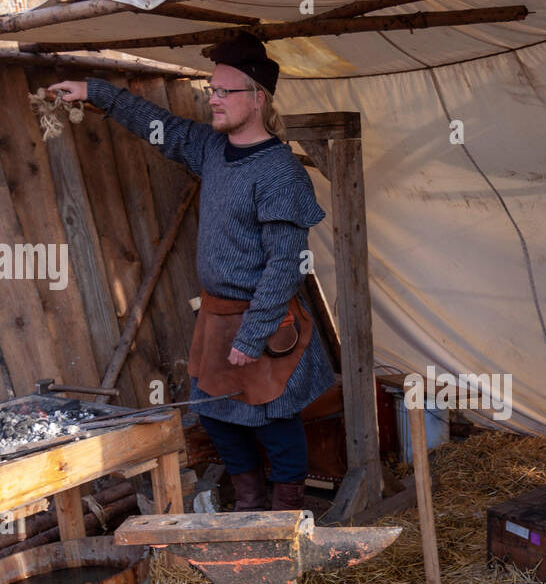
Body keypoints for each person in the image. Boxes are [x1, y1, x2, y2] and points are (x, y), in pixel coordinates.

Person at [49, 32, 334, 511]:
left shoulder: (281, 172)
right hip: (217, 318)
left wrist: (253, 334)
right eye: (212, 90)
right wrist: (95, 92)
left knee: (275, 421)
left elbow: (285, 265)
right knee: (217, 417)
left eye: (225, 91)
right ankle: (247, 505)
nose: (213, 99)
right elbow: (156, 123)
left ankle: (286, 519)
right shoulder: (209, 149)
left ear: (258, 98)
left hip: (265, 320)